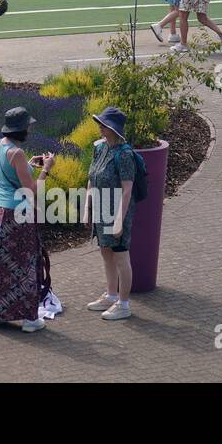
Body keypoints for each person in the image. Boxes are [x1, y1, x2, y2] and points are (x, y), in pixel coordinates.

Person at [0, 107, 53, 333]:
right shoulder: (16, 153)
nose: (30, 129)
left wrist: (27, 165)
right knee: (25, 263)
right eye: (28, 126)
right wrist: (45, 170)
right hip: (17, 213)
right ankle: (29, 319)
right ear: (20, 129)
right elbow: (30, 191)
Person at [84, 106, 138, 321]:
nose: (99, 128)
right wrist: (87, 208)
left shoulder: (125, 154)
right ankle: (111, 294)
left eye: (104, 125)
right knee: (106, 251)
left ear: (113, 129)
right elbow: (91, 177)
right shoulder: (99, 147)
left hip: (116, 209)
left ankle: (123, 304)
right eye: (100, 123)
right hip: (100, 207)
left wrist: (119, 221)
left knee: (121, 257)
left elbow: (127, 190)